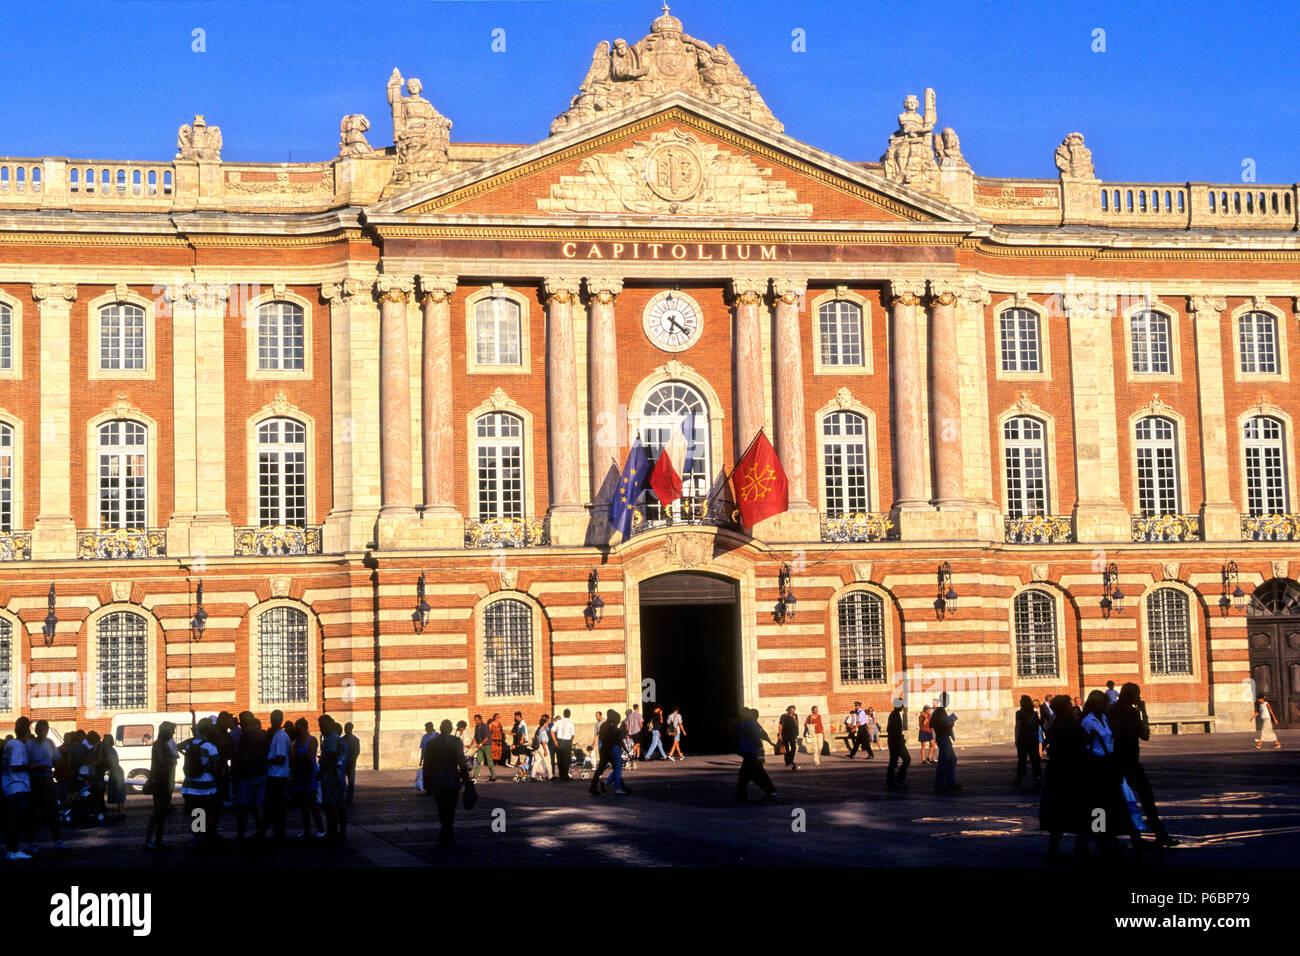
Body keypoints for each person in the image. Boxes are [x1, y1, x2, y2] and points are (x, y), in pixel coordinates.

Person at [1111, 683, 1177, 848]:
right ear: (1130, 694)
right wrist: (1135, 733)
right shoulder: (1116, 710)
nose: (1139, 697)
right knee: (1123, 802)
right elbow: (1115, 733)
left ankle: (1156, 835)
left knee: (1143, 799)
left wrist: (1143, 712)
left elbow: (1145, 734)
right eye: (1137, 694)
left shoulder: (1133, 711)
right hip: (1121, 761)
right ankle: (1121, 838)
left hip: (1132, 760)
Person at [1080, 689, 1141, 854]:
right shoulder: (1088, 721)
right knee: (1098, 806)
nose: (1105, 705)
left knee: (1113, 805)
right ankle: (1099, 840)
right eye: (1102, 702)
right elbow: (1086, 745)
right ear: (1095, 704)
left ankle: (1111, 837)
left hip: (1109, 764)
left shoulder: (1105, 718)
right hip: (1096, 767)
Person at [1040, 695, 1088, 861]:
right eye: (1068, 705)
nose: (1071, 707)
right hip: (1070, 773)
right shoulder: (1067, 724)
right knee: (1081, 812)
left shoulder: (1057, 723)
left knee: (1059, 815)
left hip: (1058, 773)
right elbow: (1079, 742)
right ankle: (1082, 847)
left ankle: (1054, 849)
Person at [423, 719, 471, 846]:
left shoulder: (431, 743)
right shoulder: (456, 742)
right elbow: (462, 763)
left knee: (441, 808)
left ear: (440, 728)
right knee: (451, 808)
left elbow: (427, 765)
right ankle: (448, 829)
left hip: (438, 780)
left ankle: (445, 828)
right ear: (450, 729)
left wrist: (427, 783)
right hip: (452, 780)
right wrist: (467, 782)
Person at [179, 718, 220, 848]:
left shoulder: (190, 744)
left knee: (197, 813)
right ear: (208, 729)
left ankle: (196, 837)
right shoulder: (210, 746)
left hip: (190, 786)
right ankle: (205, 836)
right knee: (211, 813)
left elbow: (178, 747)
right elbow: (216, 767)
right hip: (206, 786)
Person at [27, 720, 63, 851]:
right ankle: (33, 844)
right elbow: (25, 765)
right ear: (36, 731)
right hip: (35, 781)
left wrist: (56, 764)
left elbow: (57, 760)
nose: (43, 733)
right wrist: (36, 767)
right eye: (40, 730)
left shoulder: (50, 743)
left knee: (53, 812)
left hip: (48, 780)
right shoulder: (29, 745)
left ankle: (58, 841)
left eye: (45, 730)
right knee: (33, 813)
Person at [233, 711, 268, 844]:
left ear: (243, 722)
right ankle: (261, 833)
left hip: (247, 775)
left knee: (243, 807)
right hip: (261, 773)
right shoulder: (263, 734)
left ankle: (240, 836)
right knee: (258, 805)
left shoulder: (245, 736)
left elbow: (242, 756)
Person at [144, 720, 179, 851]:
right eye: (172, 730)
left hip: (165, 781)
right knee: (157, 813)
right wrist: (174, 757)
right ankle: (148, 841)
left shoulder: (163, 744)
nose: (173, 733)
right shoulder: (159, 744)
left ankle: (158, 840)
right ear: (166, 731)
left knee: (162, 814)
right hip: (160, 782)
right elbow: (162, 760)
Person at [2, 717, 33, 860]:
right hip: (17, 786)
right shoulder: (18, 746)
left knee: (11, 821)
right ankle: (13, 850)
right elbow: (15, 766)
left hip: (9, 786)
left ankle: (11, 849)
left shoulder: (11, 744)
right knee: (15, 821)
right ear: (26, 730)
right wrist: (31, 767)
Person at [290, 717, 325, 838]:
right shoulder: (296, 742)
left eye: (299, 728)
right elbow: (293, 757)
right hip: (299, 774)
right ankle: (307, 830)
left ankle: (320, 828)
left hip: (310, 774)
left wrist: (298, 758)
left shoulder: (312, 740)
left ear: (305, 727)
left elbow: (308, 756)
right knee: (303, 805)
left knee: (311, 802)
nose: (297, 730)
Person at [734, 708, 776, 801]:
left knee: (756, 775)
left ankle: (771, 792)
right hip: (751, 753)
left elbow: (736, 727)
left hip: (751, 754)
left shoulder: (748, 724)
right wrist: (770, 742)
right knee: (745, 775)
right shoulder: (753, 724)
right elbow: (763, 734)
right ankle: (741, 795)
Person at [318, 715, 348, 841]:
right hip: (339, 776)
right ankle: (339, 830)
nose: (321, 729)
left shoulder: (330, 739)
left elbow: (331, 757)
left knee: (331, 805)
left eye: (322, 726)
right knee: (339, 805)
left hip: (331, 776)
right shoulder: (337, 739)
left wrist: (322, 765)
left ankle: (332, 831)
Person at [265, 710, 292, 841]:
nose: (272, 721)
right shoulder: (278, 735)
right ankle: (278, 831)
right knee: (277, 805)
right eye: (271, 719)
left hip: (277, 775)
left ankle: (279, 832)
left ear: (280, 720)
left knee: (277, 805)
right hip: (276, 775)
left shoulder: (280, 736)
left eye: (275, 719)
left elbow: (280, 758)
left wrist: (266, 760)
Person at [589, 709, 627, 797]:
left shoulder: (603, 726)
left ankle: (593, 787)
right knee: (617, 769)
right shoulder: (614, 729)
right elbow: (619, 741)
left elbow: (601, 739)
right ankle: (618, 787)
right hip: (611, 751)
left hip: (605, 751)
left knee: (603, 770)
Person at [1014, 695, 1042, 786]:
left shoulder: (1019, 713)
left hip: (1023, 739)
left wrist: (1016, 739)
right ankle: (1037, 777)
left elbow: (1018, 726)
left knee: (1022, 759)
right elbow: (1037, 726)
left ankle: (1020, 777)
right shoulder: (1034, 713)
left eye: (1021, 700)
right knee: (1035, 758)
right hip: (1033, 739)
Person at [932, 697, 958, 791]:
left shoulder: (938, 712)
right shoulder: (941, 712)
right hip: (943, 738)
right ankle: (943, 783)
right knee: (947, 760)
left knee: (949, 760)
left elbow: (932, 724)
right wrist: (950, 724)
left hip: (942, 737)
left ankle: (947, 782)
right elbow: (942, 726)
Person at [886, 698, 910, 790]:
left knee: (893, 761)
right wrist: (900, 738)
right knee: (906, 759)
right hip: (896, 742)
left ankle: (891, 780)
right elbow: (892, 730)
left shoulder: (894, 714)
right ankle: (898, 779)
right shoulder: (894, 715)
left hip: (894, 741)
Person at [103, 735, 127, 816]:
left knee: (118, 792)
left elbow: (108, 762)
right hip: (117, 771)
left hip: (115, 772)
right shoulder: (111, 749)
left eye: (105, 739)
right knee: (119, 792)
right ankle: (121, 812)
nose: (103, 740)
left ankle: (121, 812)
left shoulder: (108, 750)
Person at [470, 714, 496, 783]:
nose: (476, 722)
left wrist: (481, 744)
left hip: (486, 746)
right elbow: (475, 737)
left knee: (489, 761)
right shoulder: (476, 727)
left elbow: (487, 737)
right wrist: (470, 744)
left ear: (480, 720)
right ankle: (475, 777)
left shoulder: (485, 726)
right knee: (477, 761)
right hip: (480, 746)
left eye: (477, 720)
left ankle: (493, 777)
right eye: (475, 720)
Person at [552, 708, 576, 780]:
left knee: (560, 758)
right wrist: (570, 740)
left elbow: (552, 731)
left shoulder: (558, 722)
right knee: (566, 759)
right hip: (567, 742)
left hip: (559, 741)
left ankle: (561, 775)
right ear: (569, 715)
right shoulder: (570, 723)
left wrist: (555, 741)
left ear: (563, 714)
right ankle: (565, 775)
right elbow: (573, 735)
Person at [343, 721, 361, 804]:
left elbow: (356, 752)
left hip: (351, 764)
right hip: (343, 763)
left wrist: (350, 760)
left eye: (347, 728)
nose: (346, 730)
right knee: (342, 781)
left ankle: (349, 798)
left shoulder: (355, 740)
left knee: (351, 782)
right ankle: (343, 796)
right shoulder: (341, 739)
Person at [779, 705, 800, 771]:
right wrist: (780, 734)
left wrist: (794, 719)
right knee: (786, 748)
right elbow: (780, 725)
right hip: (785, 734)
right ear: (788, 710)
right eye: (791, 711)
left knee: (794, 747)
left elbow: (797, 724)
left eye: (793, 711)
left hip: (792, 734)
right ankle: (787, 762)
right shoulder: (783, 716)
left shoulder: (795, 715)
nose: (792, 712)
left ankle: (791, 760)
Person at [531, 715, 552, 780]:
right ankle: (550, 776)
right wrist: (545, 750)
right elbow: (543, 742)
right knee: (548, 761)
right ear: (544, 723)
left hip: (537, 747)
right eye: (546, 723)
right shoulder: (543, 731)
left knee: (537, 761)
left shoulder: (538, 730)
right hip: (543, 747)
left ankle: (533, 776)